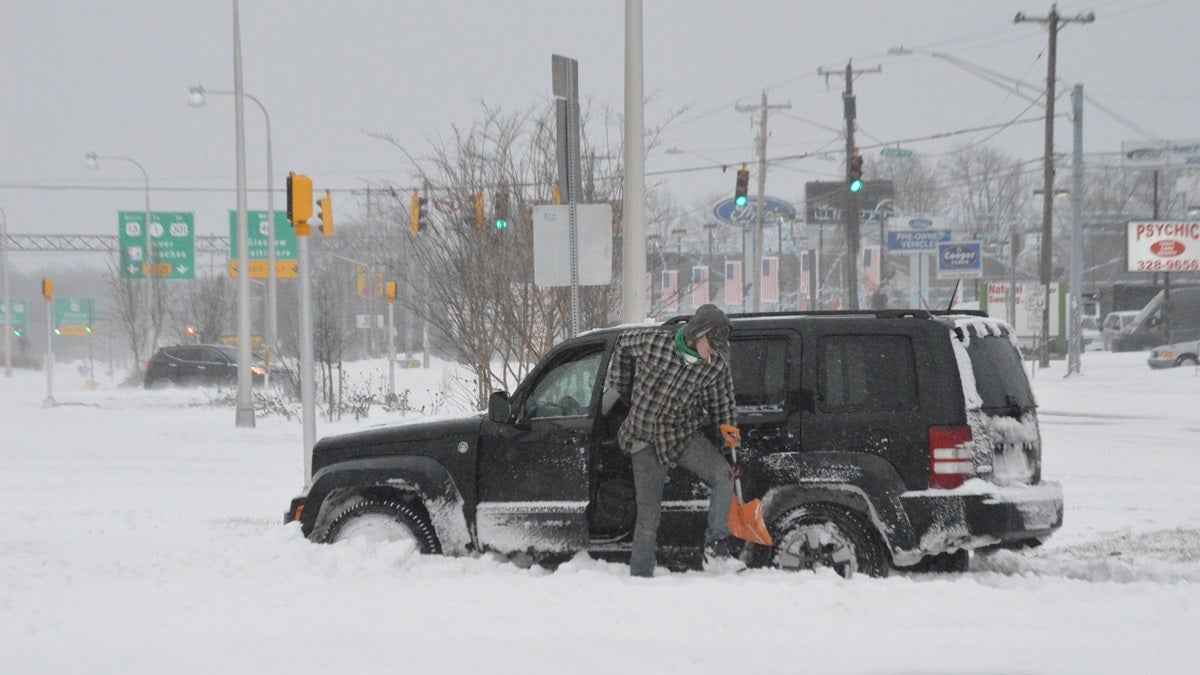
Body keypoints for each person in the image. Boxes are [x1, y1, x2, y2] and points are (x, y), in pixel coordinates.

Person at [606, 304, 742, 577]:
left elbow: (723, 405)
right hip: (644, 438)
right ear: (699, 332)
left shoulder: (715, 366)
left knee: (723, 475)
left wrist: (730, 449)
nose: (713, 352)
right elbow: (622, 344)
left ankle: (716, 549)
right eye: (711, 345)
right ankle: (641, 575)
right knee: (649, 517)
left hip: (682, 435)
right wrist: (625, 389)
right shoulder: (653, 342)